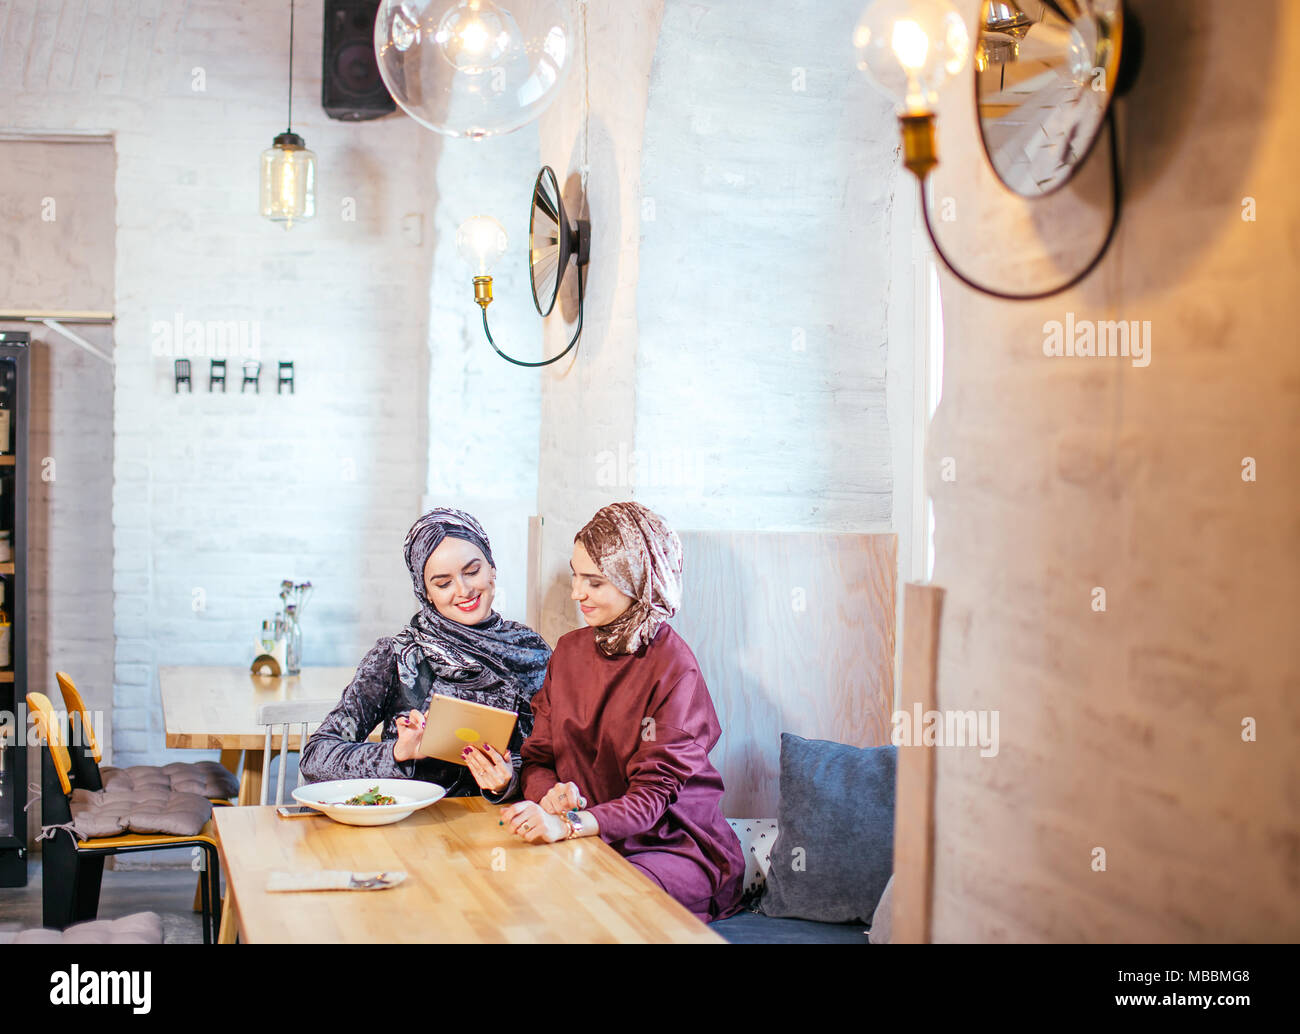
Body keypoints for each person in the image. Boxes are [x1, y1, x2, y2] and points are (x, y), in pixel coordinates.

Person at [500, 501, 745, 923]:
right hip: (587, 836)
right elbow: (538, 759)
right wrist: (551, 797)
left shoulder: (674, 668)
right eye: (575, 575)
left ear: (639, 582)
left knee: (600, 903)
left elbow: (650, 800)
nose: (577, 593)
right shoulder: (569, 653)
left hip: (669, 848)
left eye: (594, 582)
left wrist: (569, 823)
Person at [299, 508, 550, 802]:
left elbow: (552, 761)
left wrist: (507, 781)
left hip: (502, 831)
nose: (464, 589)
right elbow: (315, 758)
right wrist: (398, 753)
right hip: (410, 832)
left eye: (472, 571)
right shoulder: (397, 656)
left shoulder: (530, 652)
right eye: (443, 583)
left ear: (492, 568)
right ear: (425, 592)